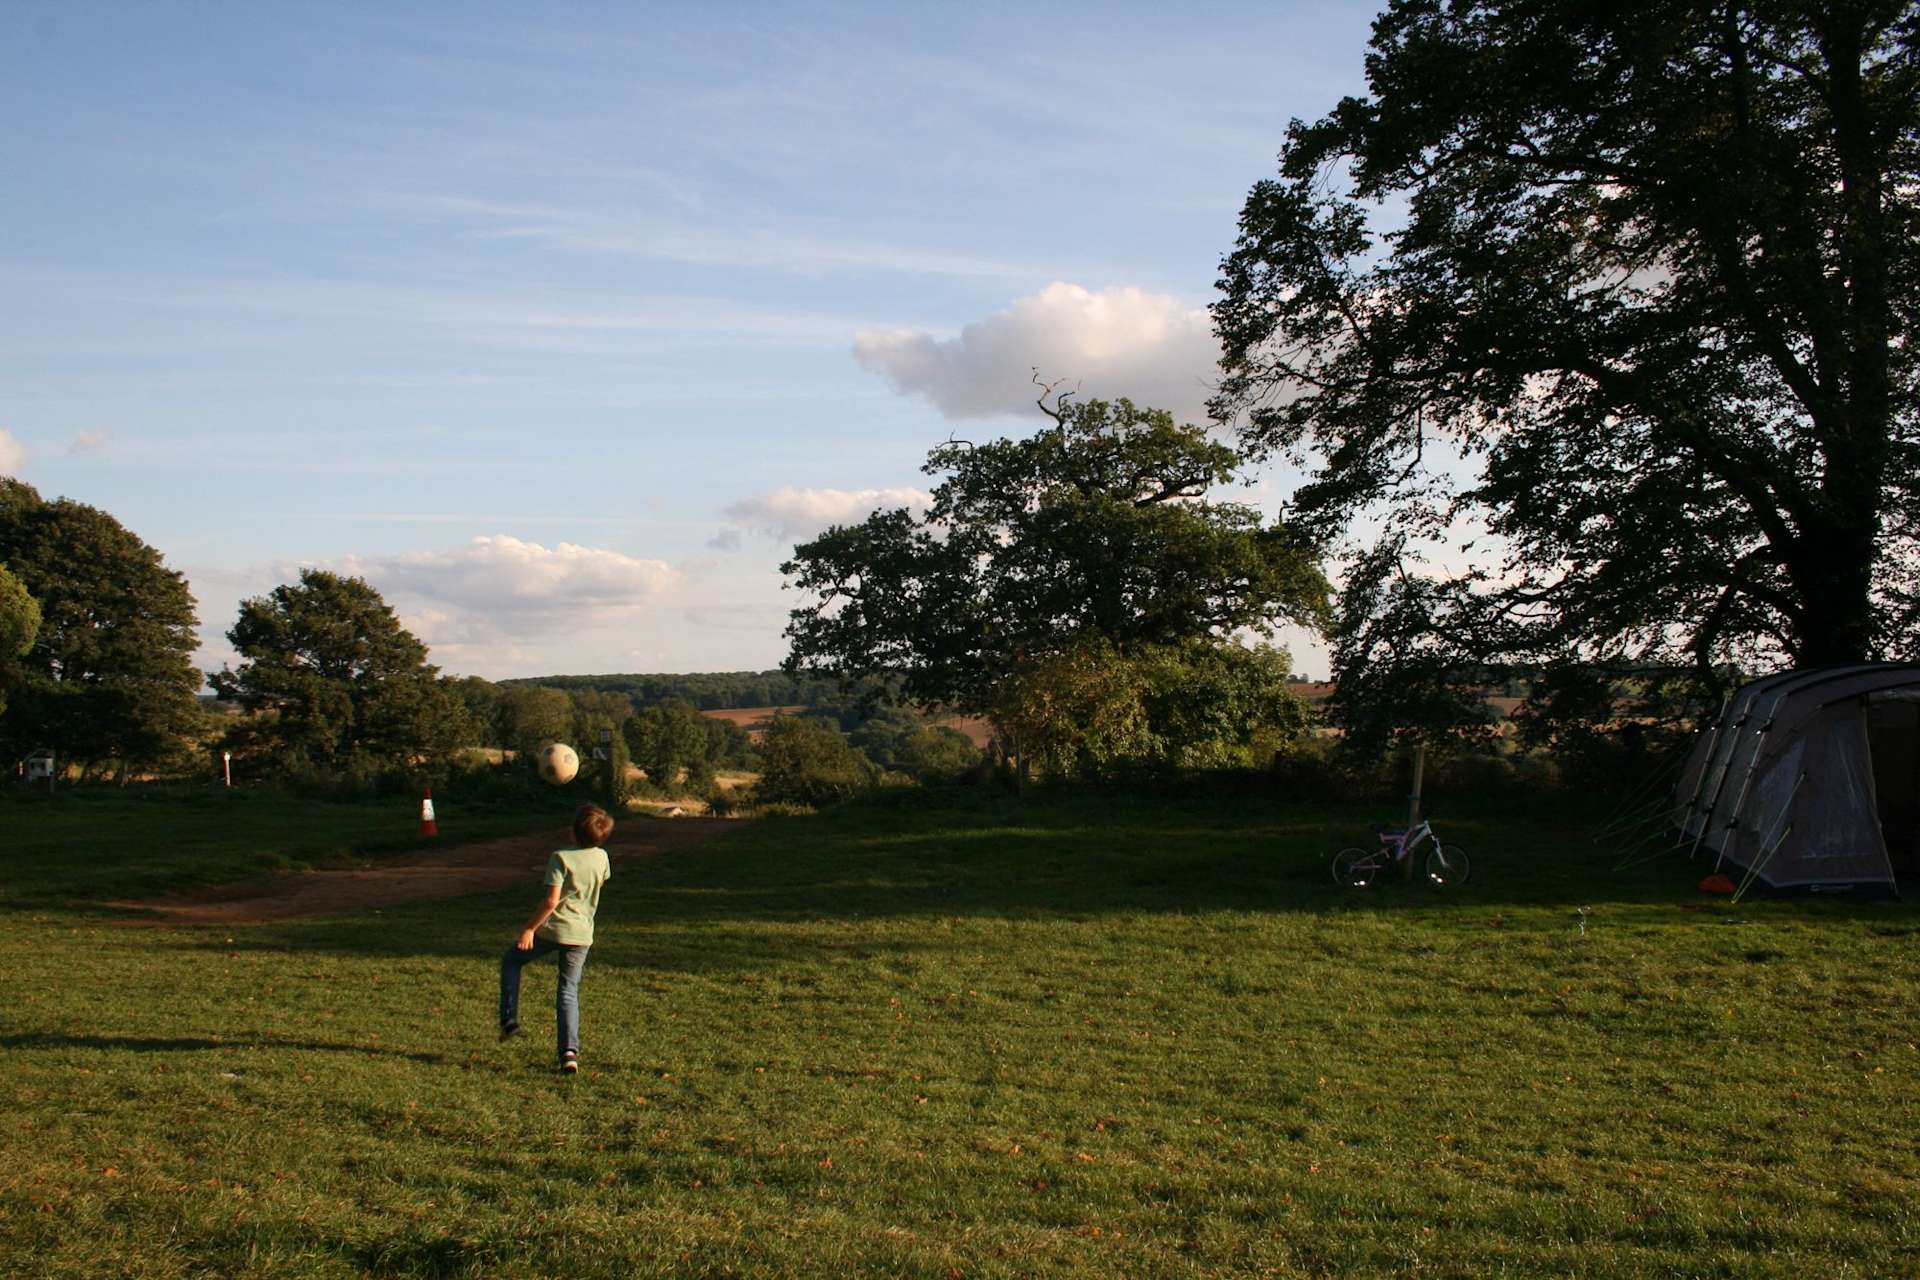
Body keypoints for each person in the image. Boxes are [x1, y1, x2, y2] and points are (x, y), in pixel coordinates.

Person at [499, 802, 613, 1073]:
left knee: (512, 961)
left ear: (573, 831)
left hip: (554, 930)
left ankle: (509, 1020)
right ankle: (569, 1053)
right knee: (568, 990)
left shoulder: (560, 858)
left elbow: (551, 902)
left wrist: (529, 929)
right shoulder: (603, 858)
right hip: (582, 934)